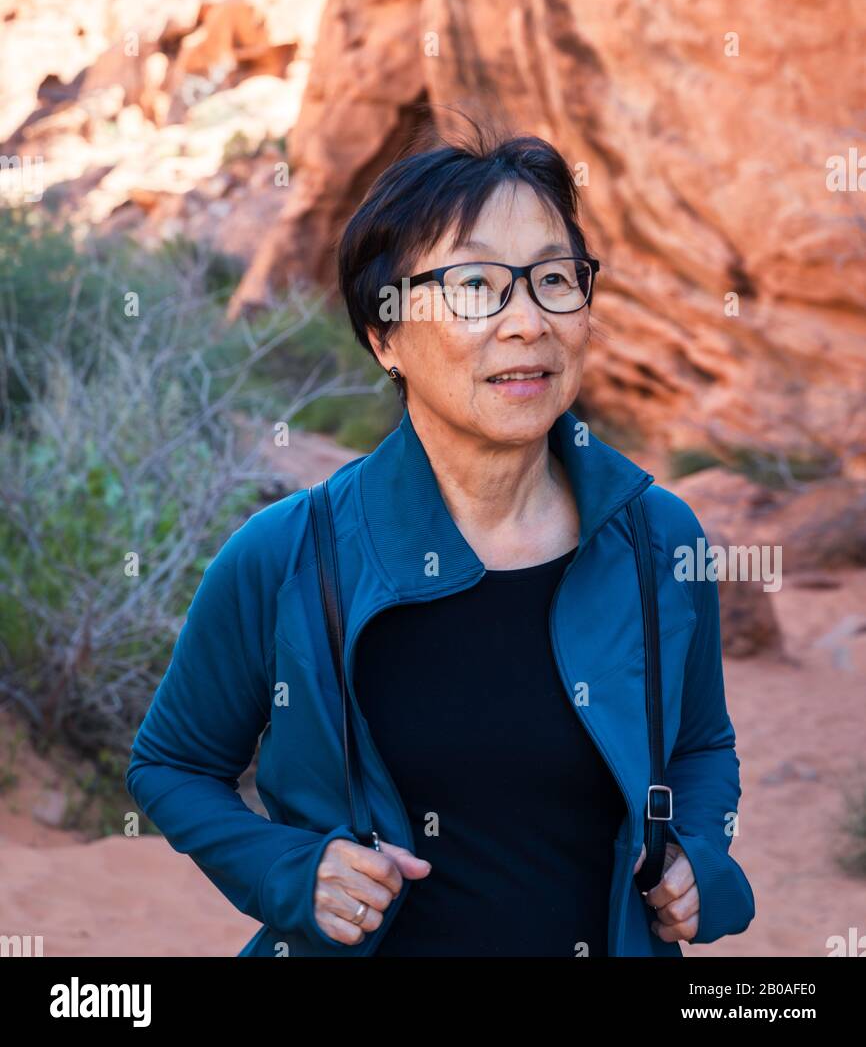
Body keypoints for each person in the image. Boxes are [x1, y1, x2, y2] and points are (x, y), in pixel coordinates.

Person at [125, 119, 756, 957]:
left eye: (555, 280)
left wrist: (698, 859)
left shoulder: (656, 537)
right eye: (476, 287)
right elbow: (171, 766)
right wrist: (291, 870)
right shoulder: (286, 555)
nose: (528, 321)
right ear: (385, 335)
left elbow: (701, 743)